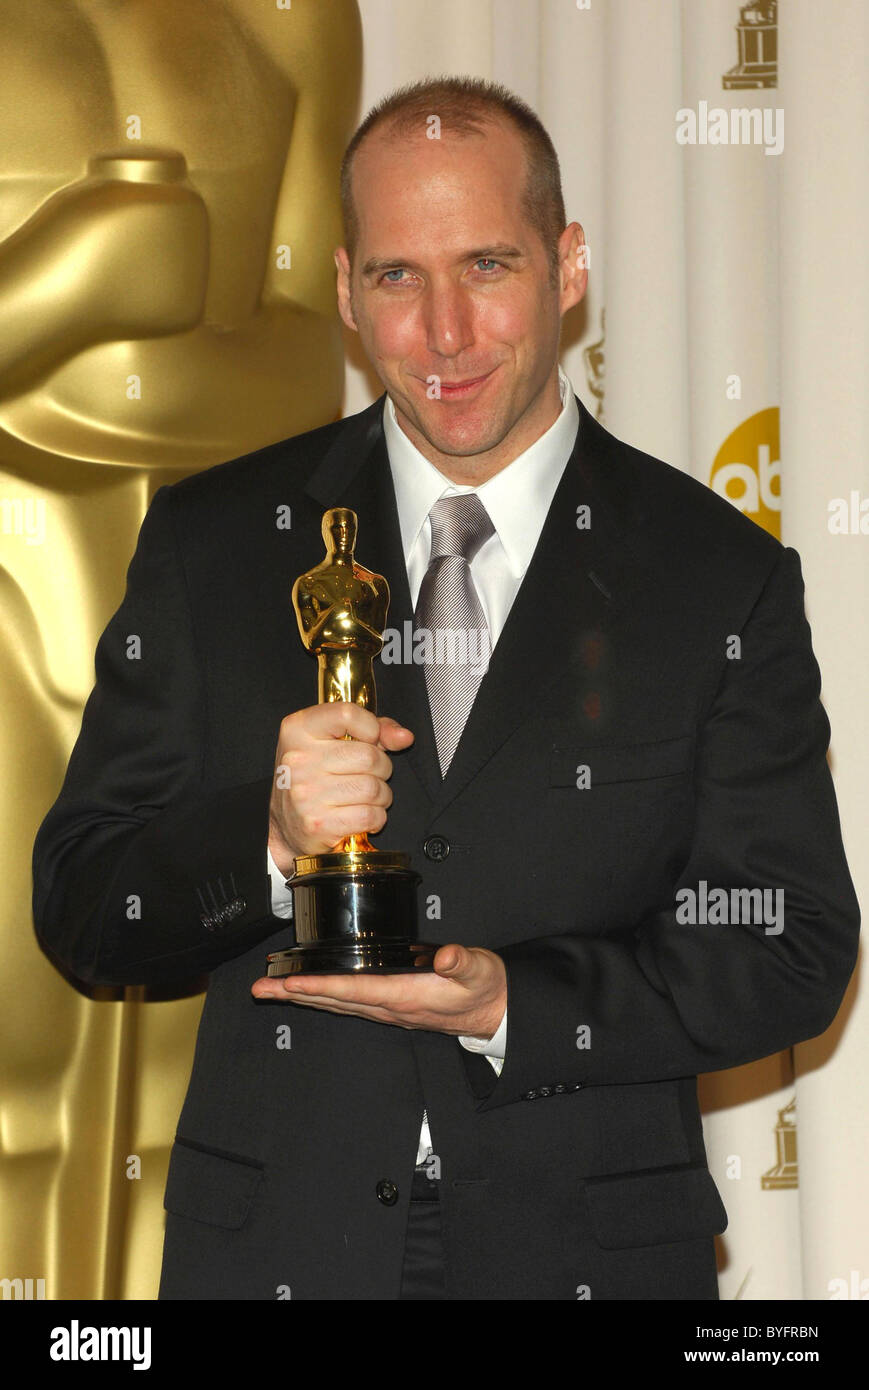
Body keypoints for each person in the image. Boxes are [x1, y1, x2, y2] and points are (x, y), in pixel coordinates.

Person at [33, 76, 859, 1302]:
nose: (444, 336)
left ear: (566, 265)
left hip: (586, 1256)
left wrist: (510, 1002)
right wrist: (263, 840)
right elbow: (86, 905)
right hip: (276, 1255)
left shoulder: (712, 579)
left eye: (485, 265)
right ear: (342, 287)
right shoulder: (215, 548)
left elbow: (789, 945)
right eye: (396, 278)